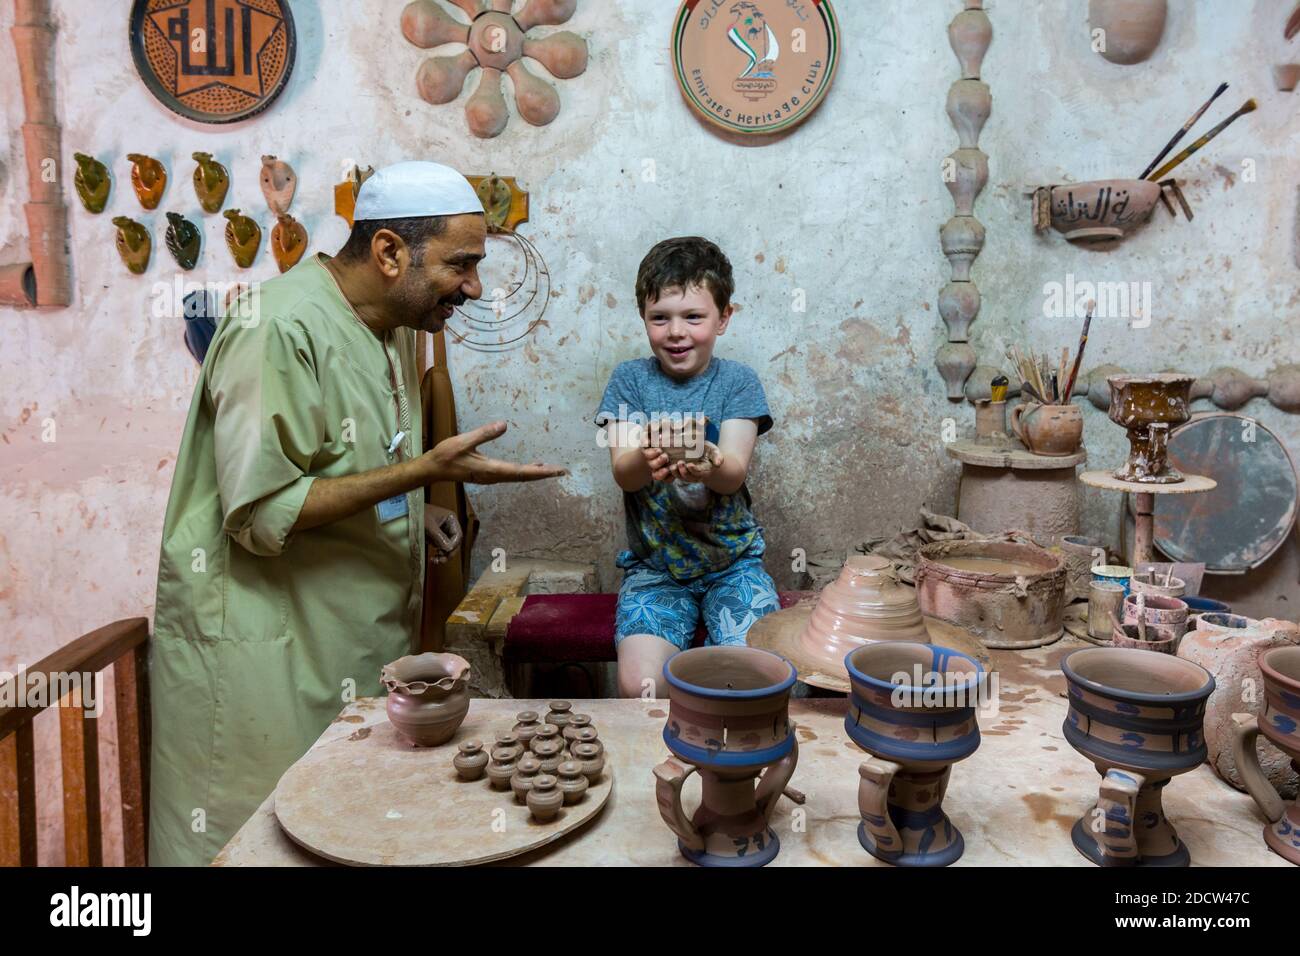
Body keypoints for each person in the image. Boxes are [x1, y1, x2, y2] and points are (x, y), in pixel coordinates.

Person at [149, 161, 566, 865]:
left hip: (348, 638)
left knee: (343, 828)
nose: (474, 286)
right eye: (460, 264)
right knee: (257, 840)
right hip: (266, 653)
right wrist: (424, 473)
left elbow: (357, 466)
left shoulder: (397, 323)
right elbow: (260, 511)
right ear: (389, 253)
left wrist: (416, 506)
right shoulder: (276, 328)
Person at [595, 237, 779, 698]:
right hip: (655, 568)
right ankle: (663, 766)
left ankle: (733, 765)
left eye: (693, 317)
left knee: (756, 678)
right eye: (661, 318)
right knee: (641, 687)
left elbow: (734, 472)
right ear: (644, 319)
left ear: (724, 318)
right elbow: (625, 472)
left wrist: (709, 466)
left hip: (732, 565)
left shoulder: (737, 382)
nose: (676, 332)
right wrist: (647, 454)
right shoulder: (630, 381)